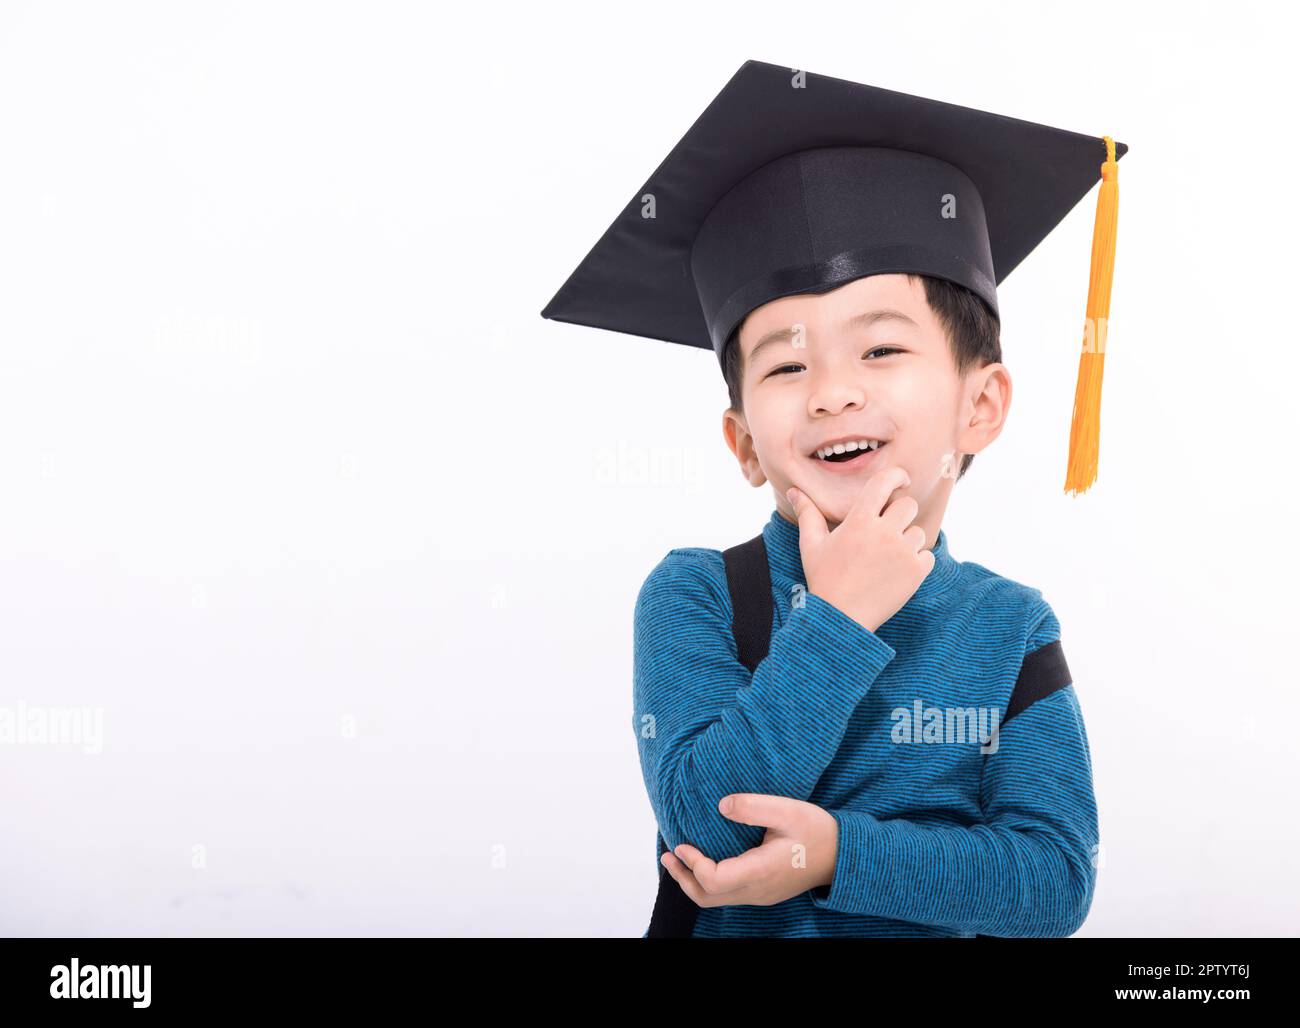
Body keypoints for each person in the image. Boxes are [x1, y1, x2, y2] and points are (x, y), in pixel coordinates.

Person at [541, 60, 1124, 937]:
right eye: (785, 364)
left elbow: (1051, 879)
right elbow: (706, 828)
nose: (831, 393)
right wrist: (840, 620)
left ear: (980, 406)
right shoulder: (696, 594)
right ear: (743, 444)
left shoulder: (1010, 627)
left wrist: (840, 854)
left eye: (881, 350)